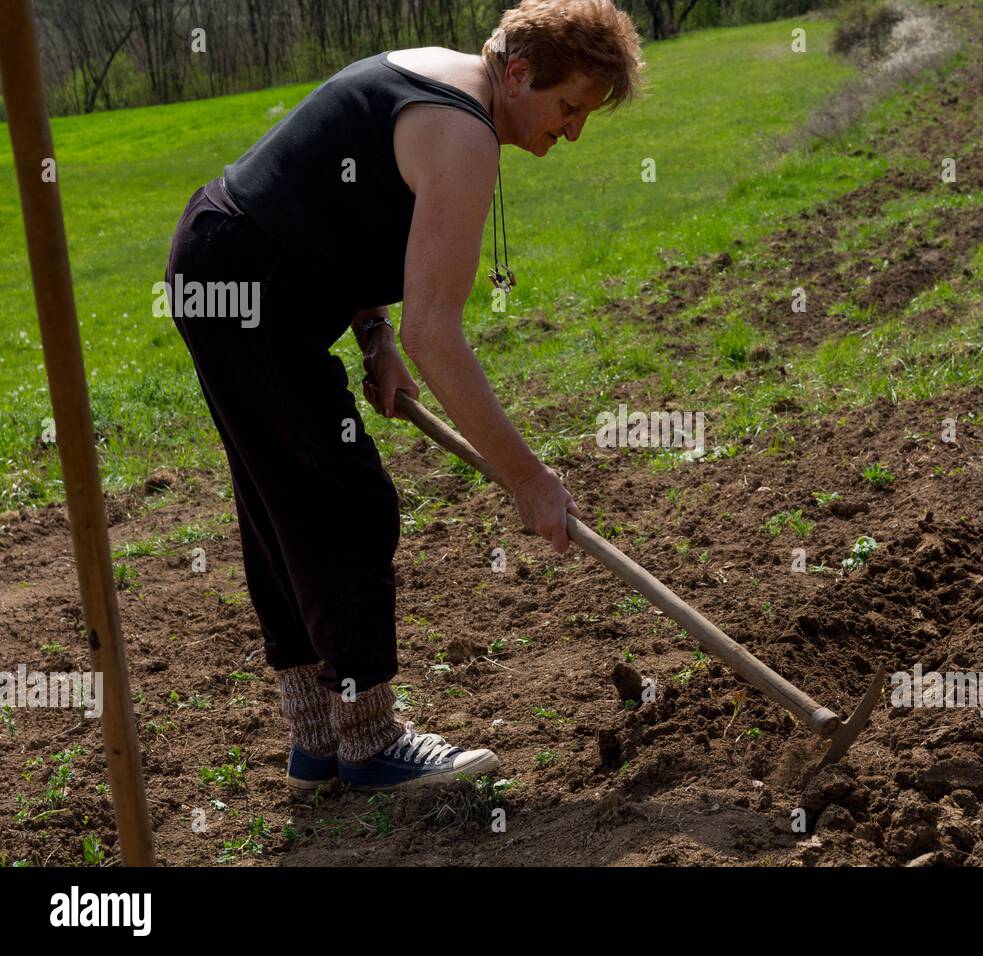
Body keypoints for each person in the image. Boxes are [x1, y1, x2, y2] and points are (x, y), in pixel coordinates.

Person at [163, 0, 645, 792]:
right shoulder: (462, 134)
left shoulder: (436, 78)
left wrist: (373, 335)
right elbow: (438, 335)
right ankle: (369, 740)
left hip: (223, 259)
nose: (573, 133)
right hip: (252, 288)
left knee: (284, 503)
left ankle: (320, 741)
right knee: (344, 503)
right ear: (519, 73)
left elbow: (343, 206)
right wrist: (528, 479)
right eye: (568, 108)